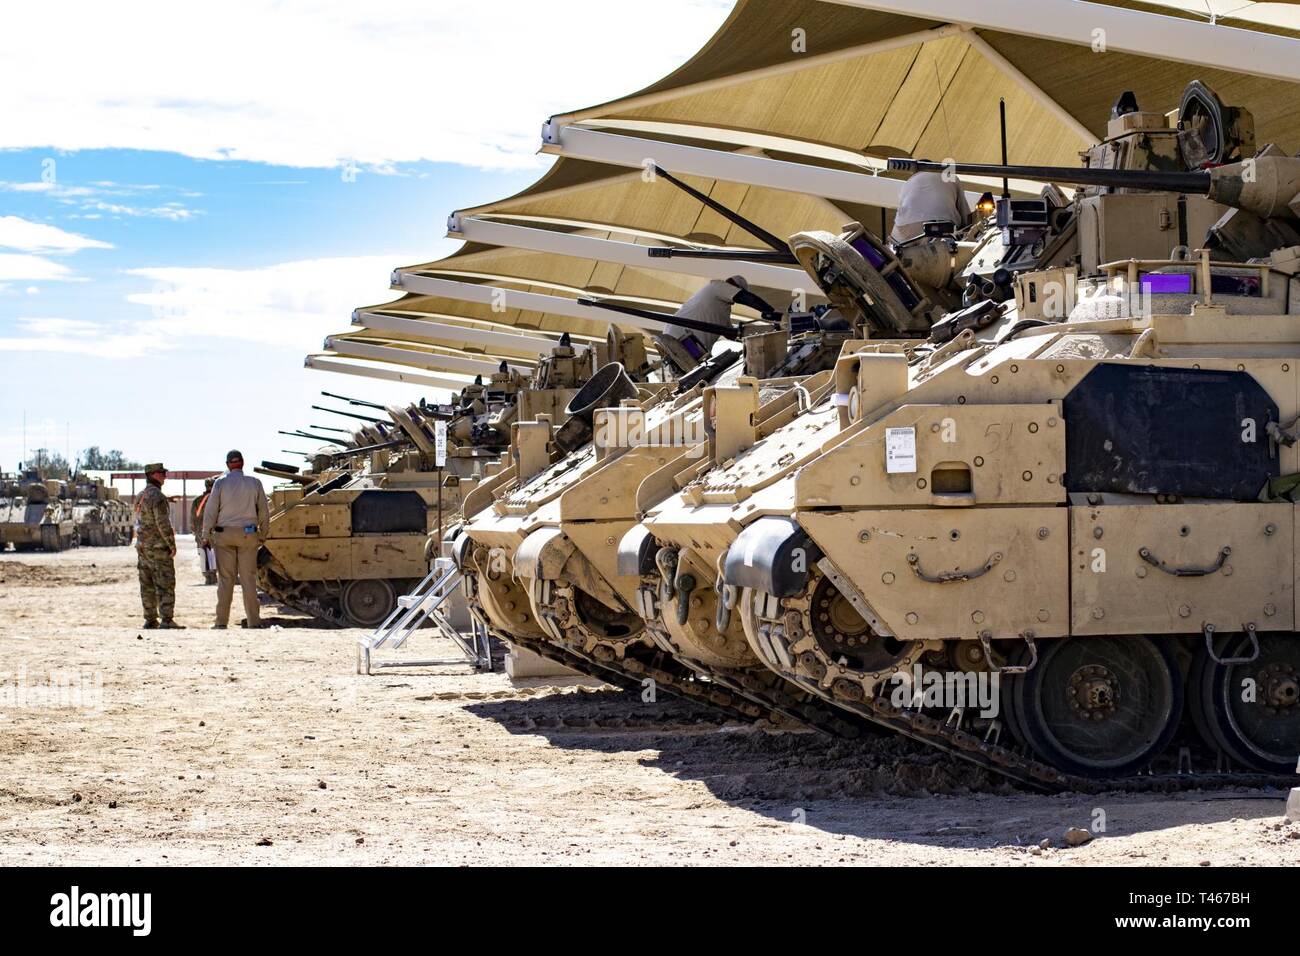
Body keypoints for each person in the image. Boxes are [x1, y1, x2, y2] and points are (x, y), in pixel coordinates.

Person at [201, 450, 269, 629]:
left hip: (224, 535)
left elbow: (211, 511)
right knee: (248, 579)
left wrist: (205, 534)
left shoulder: (220, 483)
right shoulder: (254, 482)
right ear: (243, 463)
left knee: (225, 579)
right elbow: (264, 510)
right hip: (248, 535)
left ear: (227, 465)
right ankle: (254, 622)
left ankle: (221, 622)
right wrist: (263, 534)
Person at [134, 463, 184, 629]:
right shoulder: (158, 497)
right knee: (165, 583)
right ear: (152, 475)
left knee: (146, 583)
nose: (165, 475)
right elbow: (162, 523)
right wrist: (171, 544)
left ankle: (150, 619)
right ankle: (167, 619)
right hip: (158, 548)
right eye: (161, 473)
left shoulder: (141, 495)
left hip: (143, 547)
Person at [889, 162, 973, 245]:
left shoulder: (908, 182)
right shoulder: (950, 177)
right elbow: (966, 216)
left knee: (901, 254)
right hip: (938, 226)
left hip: (904, 230)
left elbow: (901, 211)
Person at [191, 476, 217, 585]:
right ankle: (215, 574)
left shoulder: (197, 500)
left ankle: (208, 577)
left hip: (200, 532)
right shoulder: (217, 498)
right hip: (215, 531)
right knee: (216, 553)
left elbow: (192, 518)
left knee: (203, 553)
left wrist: (195, 530)